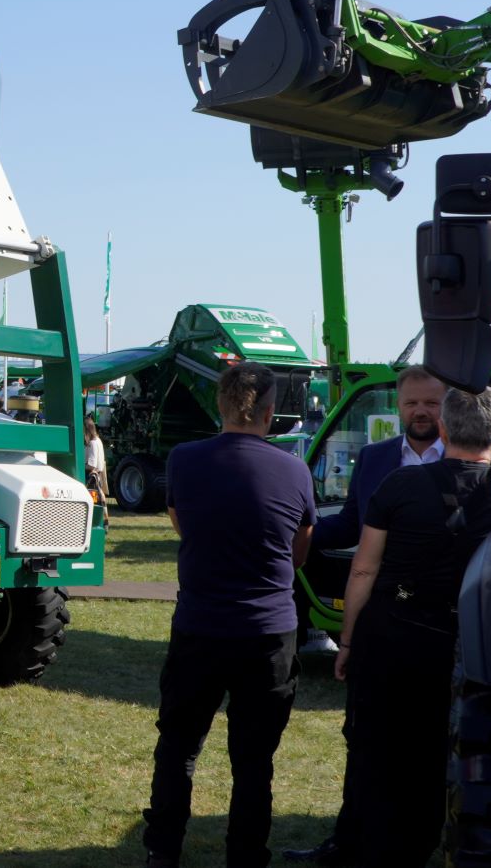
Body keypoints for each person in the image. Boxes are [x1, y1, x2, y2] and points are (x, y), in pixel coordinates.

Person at [332, 386, 491, 868]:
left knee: (380, 753)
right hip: (472, 638)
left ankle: (376, 848)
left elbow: (363, 569)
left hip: (394, 627)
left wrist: (348, 639)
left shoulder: (398, 485)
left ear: (442, 428)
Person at [143, 364, 317, 868]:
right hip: (267, 632)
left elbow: (184, 526)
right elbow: (298, 553)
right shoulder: (294, 470)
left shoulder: (184, 460)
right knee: (253, 760)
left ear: (219, 406)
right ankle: (245, 856)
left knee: (178, 747)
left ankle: (163, 852)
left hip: (200, 625)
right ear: (269, 412)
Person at [285, 365, 447, 864]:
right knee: (362, 735)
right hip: (381, 616)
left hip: (441, 621)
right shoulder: (376, 457)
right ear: (397, 408)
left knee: (433, 742)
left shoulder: (474, 459)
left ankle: (426, 842)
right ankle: (346, 840)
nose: (420, 412)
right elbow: (354, 523)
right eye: (411, 404)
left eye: (431, 404)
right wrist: (295, 537)